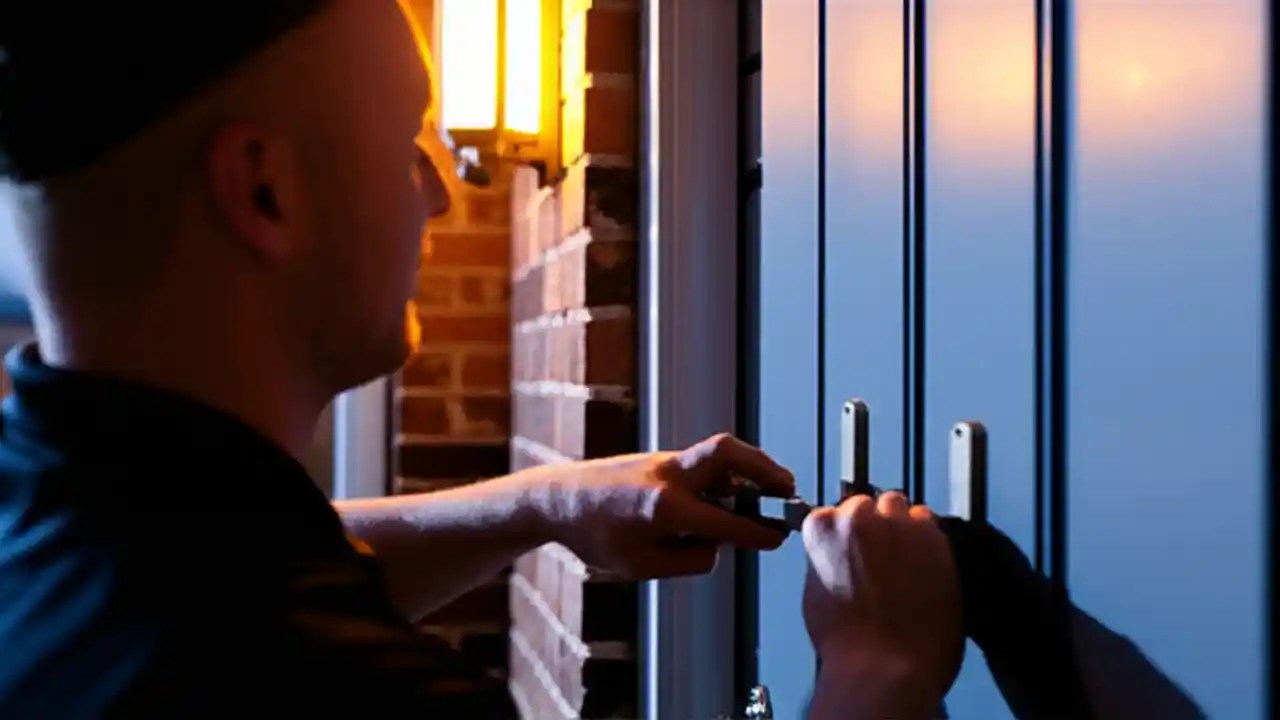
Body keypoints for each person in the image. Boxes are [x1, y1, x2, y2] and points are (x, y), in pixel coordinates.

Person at [0, 2, 968, 718]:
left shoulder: (42, 525)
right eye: (403, 142)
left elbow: (227, 554)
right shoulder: (326, 688)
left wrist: (542, 505)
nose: (434, 197)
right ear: (264, 192)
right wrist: (874, 670)